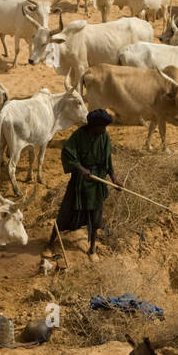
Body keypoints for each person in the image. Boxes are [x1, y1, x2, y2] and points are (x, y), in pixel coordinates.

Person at [55, 108, 118, 257]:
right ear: (93, 125)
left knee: (96, 215)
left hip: (97, 180)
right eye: (102, 126)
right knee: (66, 211)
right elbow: (68, 153)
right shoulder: (78, 136)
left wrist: (114, 178)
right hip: (79, 182)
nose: (104, 130)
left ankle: (92, 249)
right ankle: (51, 243)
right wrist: (80, 168)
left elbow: (108, 160)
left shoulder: (105, 136)